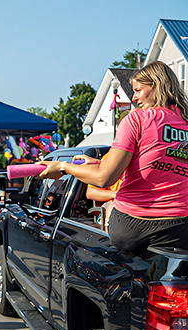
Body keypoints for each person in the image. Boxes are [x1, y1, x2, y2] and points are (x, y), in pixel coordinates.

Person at [39, 61, 188, 255]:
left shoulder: (138, 119)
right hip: (182, 229)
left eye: (138, 90)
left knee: (111, 208)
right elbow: (158, 164)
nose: (134, 98)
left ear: (156, 86)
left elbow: (104, 178)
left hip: (133, 228)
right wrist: (98, 163)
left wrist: (62, 166)